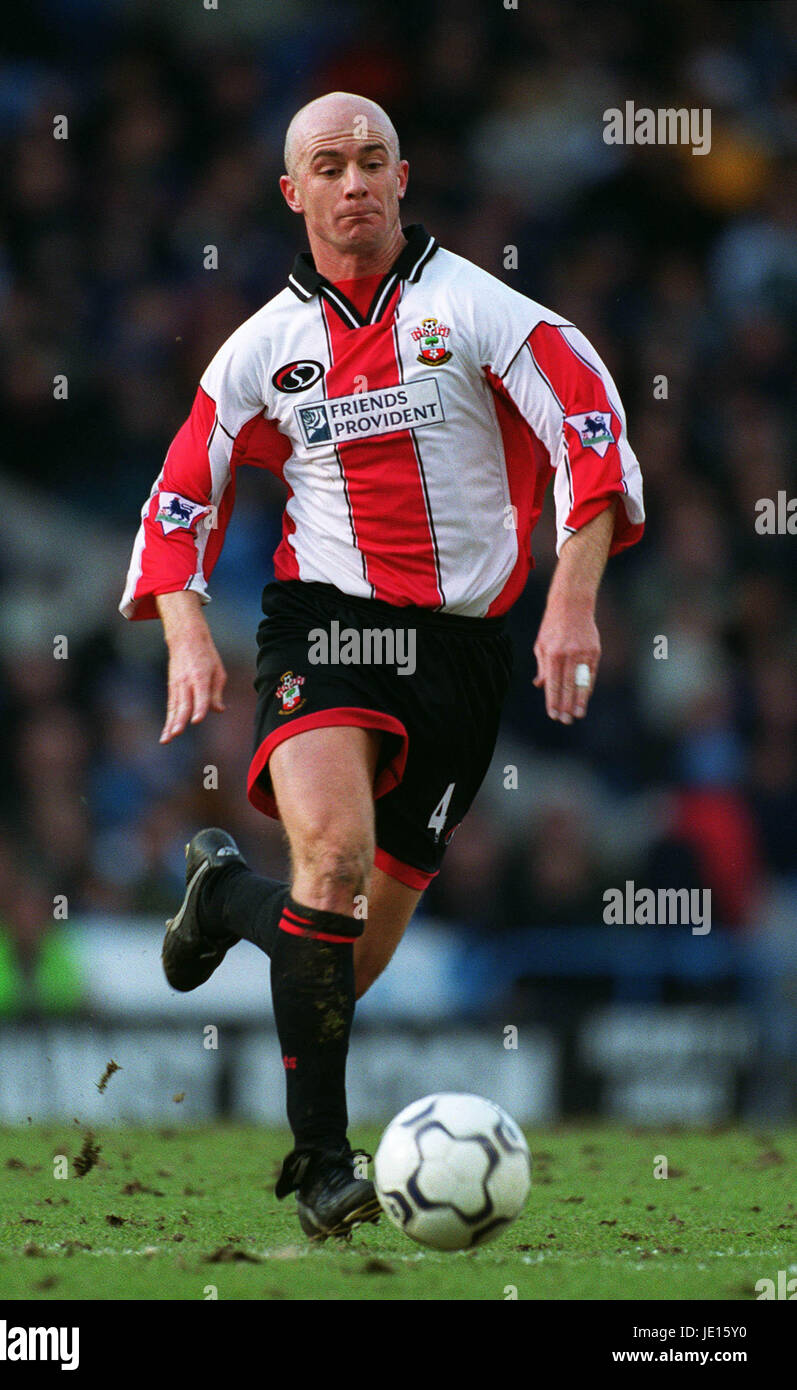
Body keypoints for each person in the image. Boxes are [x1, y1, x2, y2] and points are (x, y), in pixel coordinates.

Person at [119, 91, 645, 1238]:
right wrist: (187, 632)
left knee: (339, 968)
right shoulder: (259, 351)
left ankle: (223, 896)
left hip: (464, 654)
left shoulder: (479, 309)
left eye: (371, 161)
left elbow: (592, 430)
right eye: (328, 165)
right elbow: (177, 499)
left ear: (402, 180)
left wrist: (569, 598)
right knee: (334, 855)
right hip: (329, 631)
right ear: (292, 193)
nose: (352, 181)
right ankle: (322, 1167)